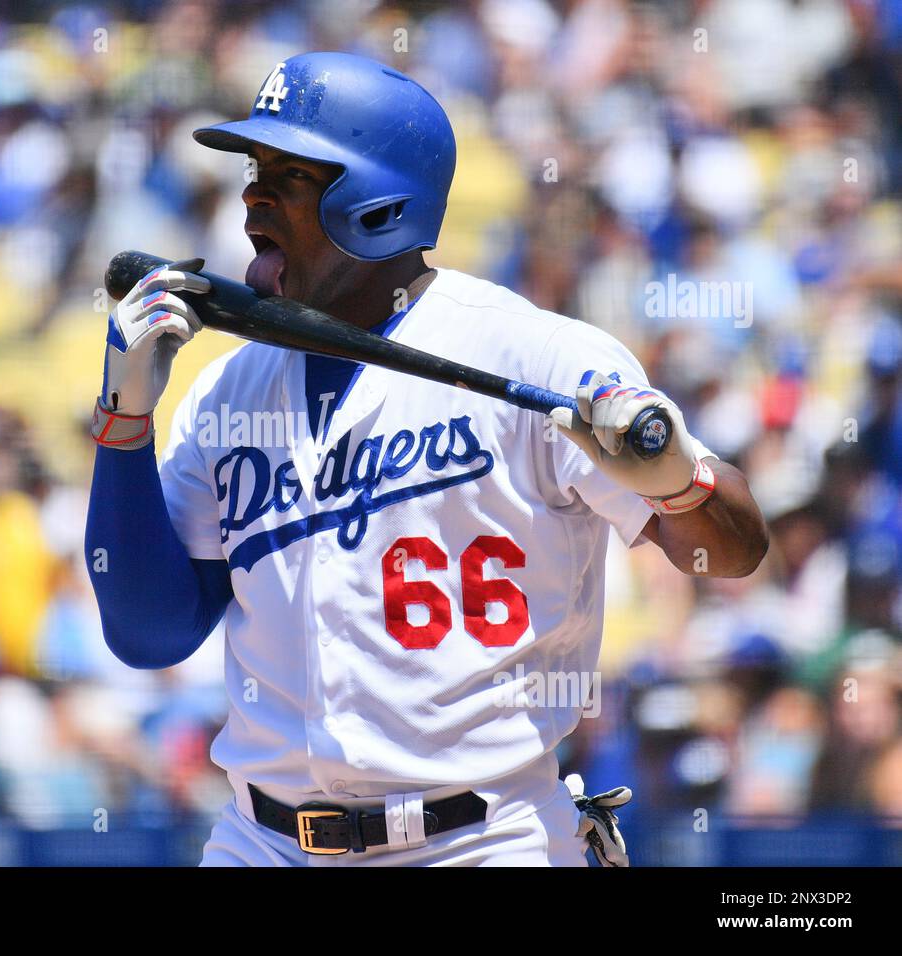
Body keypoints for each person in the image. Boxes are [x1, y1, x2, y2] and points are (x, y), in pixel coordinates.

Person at [84, 52, 768, 866]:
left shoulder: (534, 355)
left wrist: (679, 481)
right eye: (252, 169)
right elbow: (148, 634)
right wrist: (124, 422)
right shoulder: (224, 393)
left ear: (375, 206)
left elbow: (731, 551)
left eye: (287, 175)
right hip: (260, 841)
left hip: (481, 839)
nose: (250, 197)